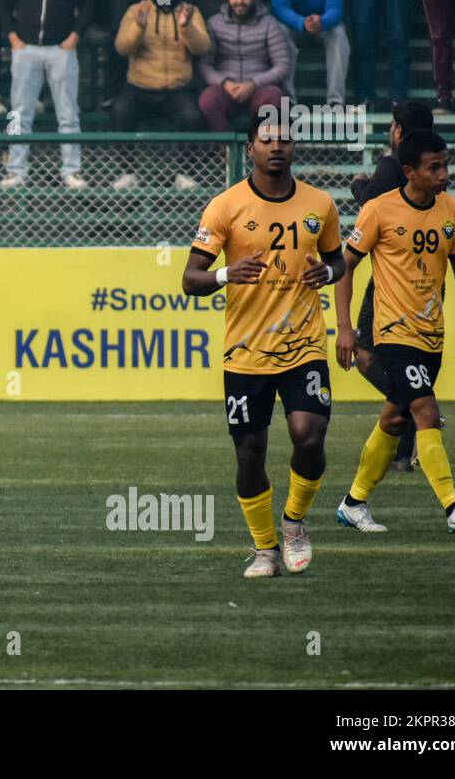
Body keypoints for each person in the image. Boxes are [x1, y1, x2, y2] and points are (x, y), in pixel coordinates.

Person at [182, 113, 346, 578]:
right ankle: (264, 548)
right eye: (266, 139)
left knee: (308, 437)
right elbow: (190, 280)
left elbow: (338, 261)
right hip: (246, 351)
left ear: (294, 148)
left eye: (285, 139)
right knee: (250, 451)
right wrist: (225, 274)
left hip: (304, 345)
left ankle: (293, 523)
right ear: (250, 148)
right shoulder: (225, 206)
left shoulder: (320, 204)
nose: (276, 147)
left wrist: (328, 273)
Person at [334, 130, 455, 533]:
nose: (444, 173)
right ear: (409, 171)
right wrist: (345, 329)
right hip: (392, 333)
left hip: (431, 334)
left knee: (394, 418)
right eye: (434, 167)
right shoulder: (379, 210)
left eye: (446, 164)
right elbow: (344, 267)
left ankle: (353, 503)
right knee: (426, 411)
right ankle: (453, 506)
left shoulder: (452, 211)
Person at [348, 100, 434, 472]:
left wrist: (358, 186)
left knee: (366, 356)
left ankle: (418, 409)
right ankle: (407, 440)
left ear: (398, 130)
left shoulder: (392, 163)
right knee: (406, 364)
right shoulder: (432, 165)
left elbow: (369, 207)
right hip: (426, 283)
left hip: (389, 282)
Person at [0, 0, 92, 189]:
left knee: (68, 113)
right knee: (19, 112)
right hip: (25, 48)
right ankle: (16, 171)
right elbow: (3, 5)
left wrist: (74, 36)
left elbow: (88, 6)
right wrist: (13, 38)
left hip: (61, 49)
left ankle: (71, 171)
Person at [111, 0, 210, 139]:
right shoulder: (137, 10)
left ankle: (187, 167)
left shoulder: (190, 11)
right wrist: (138, 27)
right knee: (120, 112)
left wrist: (186, 26)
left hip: (178, 90)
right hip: (140, 89)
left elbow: (201, 48)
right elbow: (122, 48)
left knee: (192, 118)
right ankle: (125, 166)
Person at [197, 0, 292, 131]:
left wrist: (254, 84)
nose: (239, 1)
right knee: (208, 100)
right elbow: (204, 65)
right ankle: (225, 151)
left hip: (259, 88)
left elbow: (282, 65)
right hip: (227, 88)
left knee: (273, 97)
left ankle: (260, 150)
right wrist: (225, 83)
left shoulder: (269, 23)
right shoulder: (214, 23)